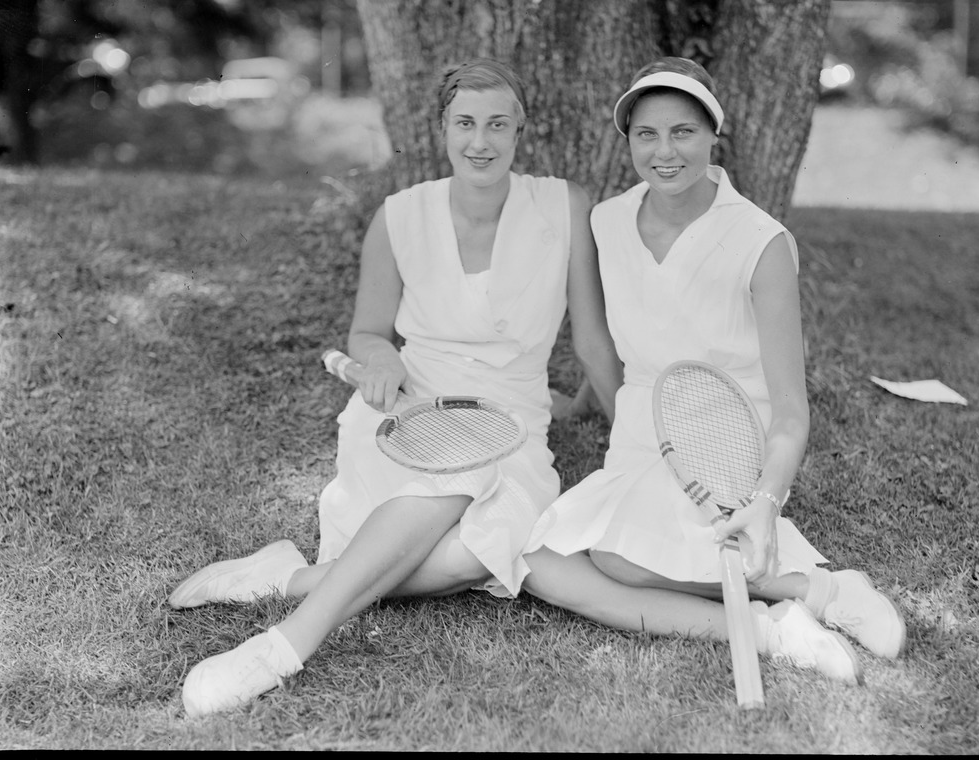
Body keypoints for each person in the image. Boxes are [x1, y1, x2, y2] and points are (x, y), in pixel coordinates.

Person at [168, 57, 622, 717]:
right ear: (442, 128)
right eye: (465, 122)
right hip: (414, 409)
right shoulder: (399, 217)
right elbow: (368, 332)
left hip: (512, 419)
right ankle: (284, 647)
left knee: (479, 553)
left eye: (498, 124)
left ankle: (289, 579)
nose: (481, 141)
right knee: (452, 489)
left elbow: (591, 345)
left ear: (522, 129)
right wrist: (378, 362)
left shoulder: (564, 205)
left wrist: (635, 447)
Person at [521, 57, 906, 684]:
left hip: (729, 431)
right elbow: (616, 338)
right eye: (646, 134)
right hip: (645, 431)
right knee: (538, 562)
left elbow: (789, 409)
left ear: (712, 135)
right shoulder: (607, 221)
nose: (664, 151)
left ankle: (828, 589)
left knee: (618, 562)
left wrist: (765, 499)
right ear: (627, 140)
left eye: (683, 132)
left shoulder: (762, 240)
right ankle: (772, 625)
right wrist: (603, 407)